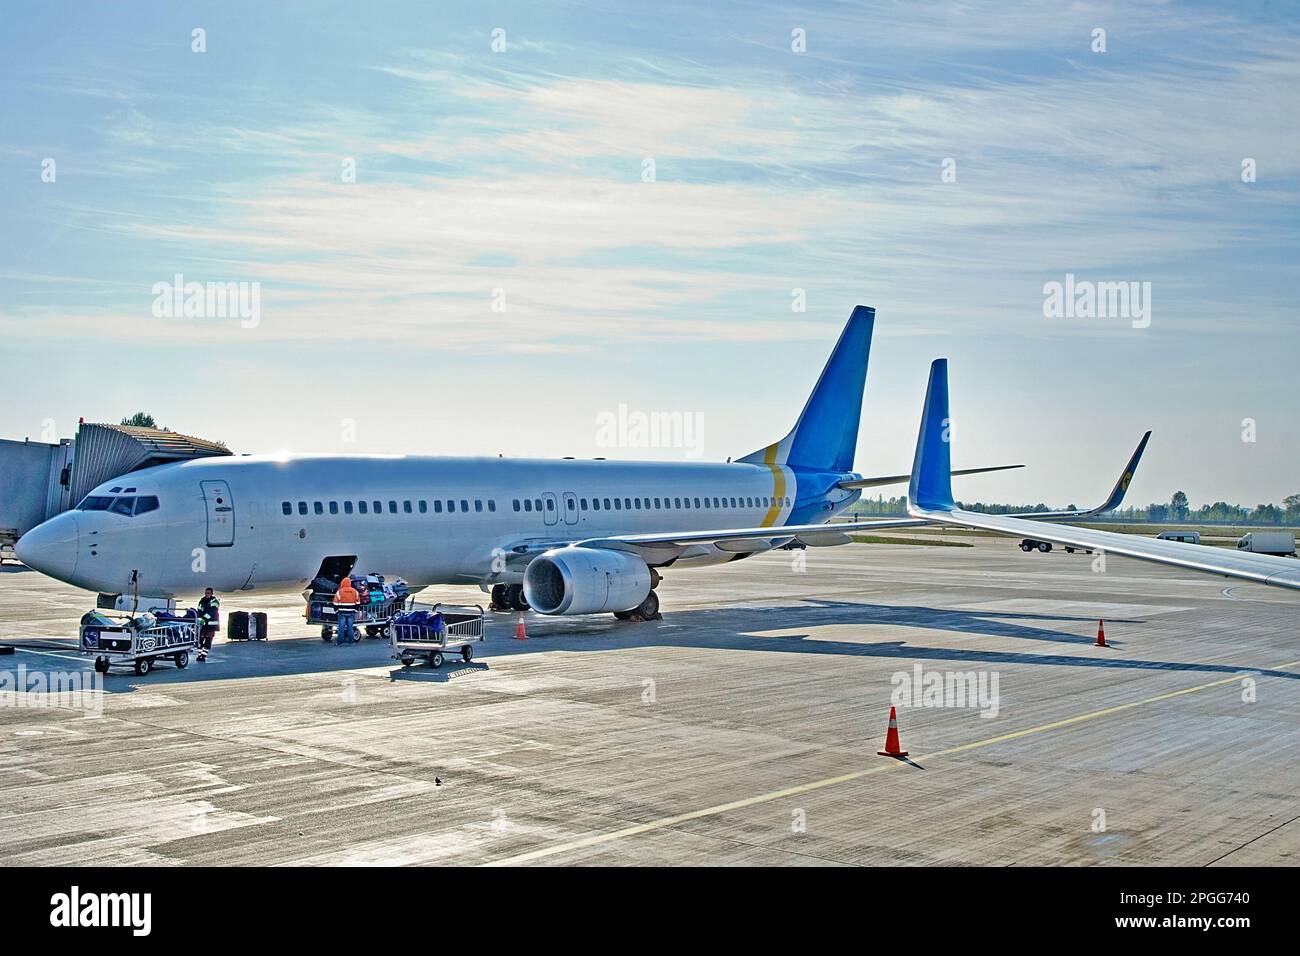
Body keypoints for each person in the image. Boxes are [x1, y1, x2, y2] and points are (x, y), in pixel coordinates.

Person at [334, 575, 360, 645]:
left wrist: (336, 611)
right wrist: (355, 610)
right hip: (351, 612)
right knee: (350, 628)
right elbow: (358, 602)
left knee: (341, 628)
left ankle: (339, 642)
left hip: (342, 612)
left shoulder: (339, 591)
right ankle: (351, 642)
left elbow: (335, 603)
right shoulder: (355, 591)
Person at [197, 587, 220, 662]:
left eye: (208, 593)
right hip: (203, 624)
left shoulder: (214, 602)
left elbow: (212, 612)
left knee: (208, 641)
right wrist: (199, 618)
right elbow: (199, 610)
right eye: (206, 593)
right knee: (200, 640)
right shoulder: (202, 600)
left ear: (211, 594)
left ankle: (203, 655)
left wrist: (203, 618)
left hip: (211, 625)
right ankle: (200, 654)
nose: (207, 594)